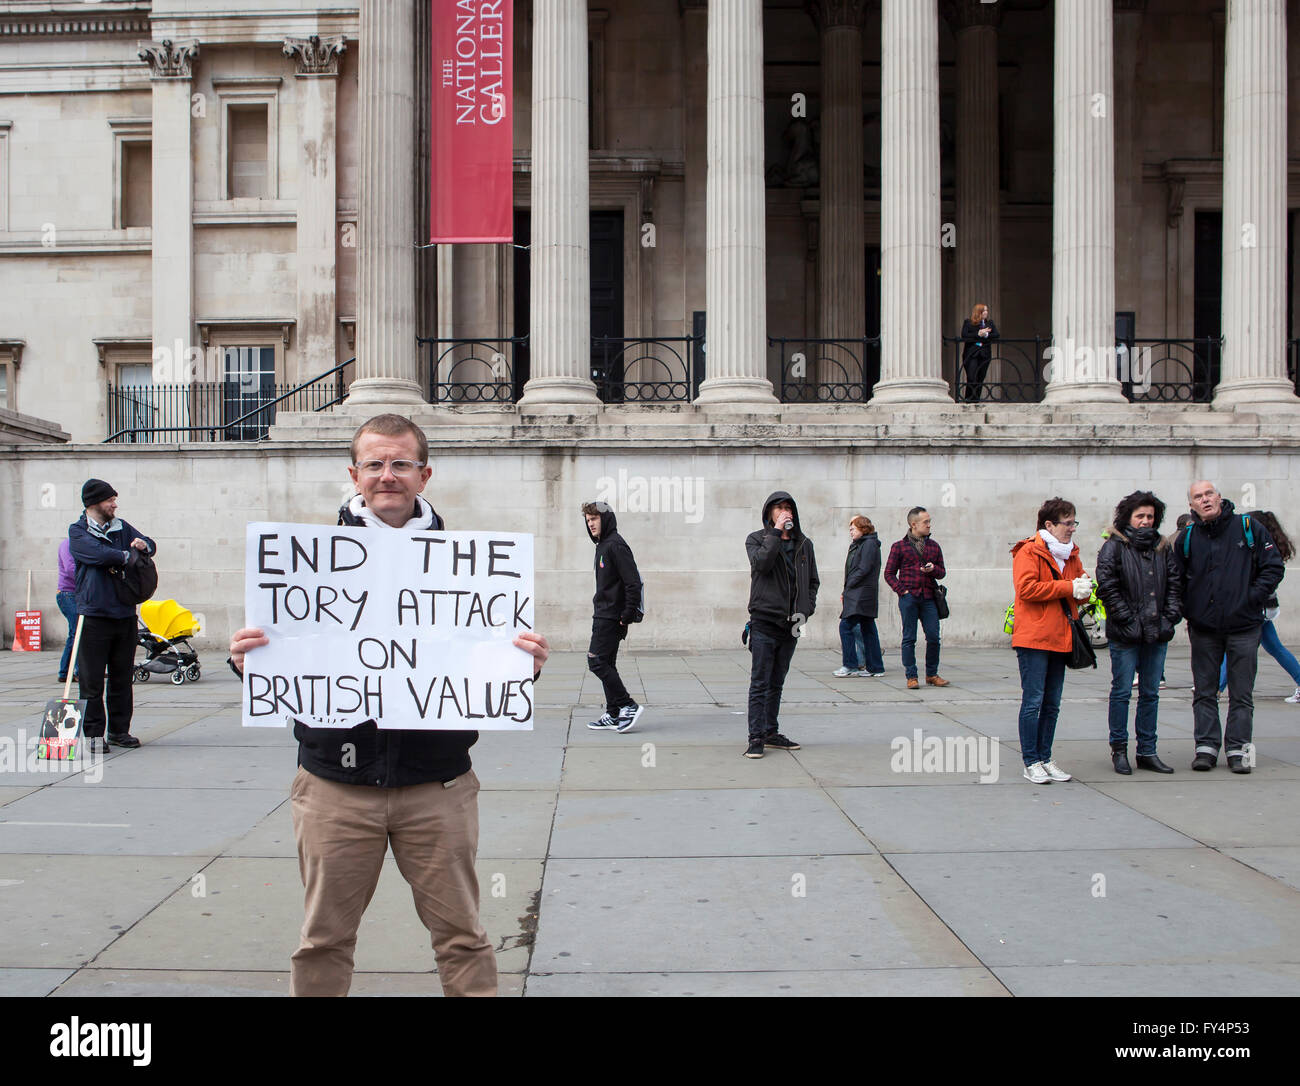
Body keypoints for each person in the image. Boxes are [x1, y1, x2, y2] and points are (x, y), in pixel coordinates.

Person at [228, 414, 550, 997]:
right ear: (354, 474)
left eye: (401, 463)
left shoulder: (469, 566)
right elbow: (285, 648)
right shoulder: (304, 561)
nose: (388, 476)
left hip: (438, 789)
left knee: (463, 937)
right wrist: (249, 662)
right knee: (323, 940)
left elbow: (479, 660)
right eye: (374, 464)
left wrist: (517, 667)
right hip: (334, 789)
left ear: (424, 475)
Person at [1173, 481, 1284, 774]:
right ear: (1191, 506)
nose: (1205, 499)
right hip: (1204, 627)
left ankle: (1238, 750)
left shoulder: (1248, 527)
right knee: (1204, 691)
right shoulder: (1186, 538)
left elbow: (1273, 566)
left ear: (1220, 497)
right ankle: (1206, 749)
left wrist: (1252, 598)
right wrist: (1190, 609)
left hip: (1245, 625)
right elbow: (1176, 580)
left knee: (1241, 693)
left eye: (1209, 494)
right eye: (1198, 496)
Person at [1095, 491, 1181, 774]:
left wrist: (1169, 620)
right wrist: (1127, 621)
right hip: (1126, 634)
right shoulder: (1115, 546)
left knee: (1150, 693)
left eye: (1150, 517)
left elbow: (1174, 585)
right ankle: (1119, 749)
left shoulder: (1162, 546)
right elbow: (1108, 586)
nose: (1146, 521)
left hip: (1157, 632)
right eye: (1140, 516)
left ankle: (1147, 750)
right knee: (1121, 692)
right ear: (1128, 517)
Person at [69, 479, 155, 753]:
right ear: (94, 503)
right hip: (93, 615)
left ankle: (119, 731)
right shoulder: (78, 531)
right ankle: (94, 735)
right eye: (110, 500)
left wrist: (143, 545)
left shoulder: (122, 527)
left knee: (121, 677)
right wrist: (125, 555)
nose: (114, 504)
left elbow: (150, 544)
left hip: (124, 613)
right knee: (92, 680)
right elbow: (95, 554)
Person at [1010, 497, 1092, 784]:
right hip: (1033, 637)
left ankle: (1045, 757)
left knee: (1052, 703)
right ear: (1049, 524)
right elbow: (1027, 588)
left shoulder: (1071, 553)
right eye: (1067, 523)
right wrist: (1069, 586)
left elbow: (1076, 586)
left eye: (1073, 523)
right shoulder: (1028, 551)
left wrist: (1084, 589)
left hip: (1062, 635)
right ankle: (1031, 760)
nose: (1072, 528)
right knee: (1033, 701)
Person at [744, 491, 819, 759]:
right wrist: (775, 533)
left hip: (792, 624)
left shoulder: (804, 544)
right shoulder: (757, 539)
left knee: (777, 681)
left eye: (788, 508)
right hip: (764, 620)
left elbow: (812, 582)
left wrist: (806, 609)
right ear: (769, 513)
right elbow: (761, 564)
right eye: (779, 508)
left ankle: (770, 731)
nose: (785, 512)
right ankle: (755, 737)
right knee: (760, 682)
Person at [1214, 511, 1300, 703]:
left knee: (1235, 648)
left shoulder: (1257, 547)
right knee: (1274, 647)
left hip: (1256, 607)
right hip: (1262, 607)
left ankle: (1216, 689)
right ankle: (1216, 688)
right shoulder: (1264, 545)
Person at [582, 500, 645, 732]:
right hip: (603, 614)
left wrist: (627, 614)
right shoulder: (603, 546)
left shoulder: (615, 545)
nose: (591, 524)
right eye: (588, 520)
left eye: (595, 519)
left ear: (605, 519)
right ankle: (614, 712)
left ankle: (628, 705)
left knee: (596, 661)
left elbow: (633, 582)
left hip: (611, 617)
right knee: (607, 663)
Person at [883, 507, 948, 689]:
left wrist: (932, 569)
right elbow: (888, 573)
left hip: (929, 597)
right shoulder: (899, 546)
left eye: (929, 521)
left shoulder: (934, 546)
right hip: (909, 597)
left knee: (934, 636)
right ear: (914, 524)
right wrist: (902, 591)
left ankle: (932, 674)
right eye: (925, 522)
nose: (929, 525)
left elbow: (942, 572)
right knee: (909, 638)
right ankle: (911, 676)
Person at [835, 515, 883, 677]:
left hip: (861, 594)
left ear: (863, 529)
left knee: (845, 626)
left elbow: (863, 569)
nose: (850, 531)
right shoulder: (861, 544)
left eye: (853, 528)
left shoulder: (868, 544)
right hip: (861, 593)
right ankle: (875, 667)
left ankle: (850, 665)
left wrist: (849, 586)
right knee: (868, 629)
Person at [959, 303, 999, 402]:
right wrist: (978, 334)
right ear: (978, 312)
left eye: (987, 310)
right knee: (972, 376)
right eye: (984, 310)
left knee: (981, 377)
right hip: (971, 354)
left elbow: (996, 335)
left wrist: (986, 335)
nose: (986, 312)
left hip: (984, 354)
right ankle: (969, 399)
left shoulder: (989, 323)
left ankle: (976, 399)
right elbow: (964, 335)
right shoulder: (969, 323)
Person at [56, 538, 78, 683]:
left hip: (78, 594)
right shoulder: (68, 544)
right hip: (68, 594)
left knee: (75, 633)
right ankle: (76, 671)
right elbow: (71, 569)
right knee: (78, 632)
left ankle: (65, 672)